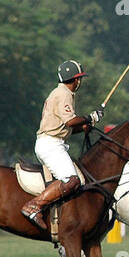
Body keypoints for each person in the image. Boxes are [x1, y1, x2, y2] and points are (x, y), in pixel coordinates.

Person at [21, 60, 103, 227]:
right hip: (51, 144)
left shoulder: (61, 93)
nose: (80, 82)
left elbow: (68, 128)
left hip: (52, 142)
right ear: (75, 80)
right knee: (72, 181)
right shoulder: (63, 94)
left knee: (71, 179)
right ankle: (34, 205)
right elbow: (71, 121)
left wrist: (89, 124)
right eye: (79, 79)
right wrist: (90, 117)